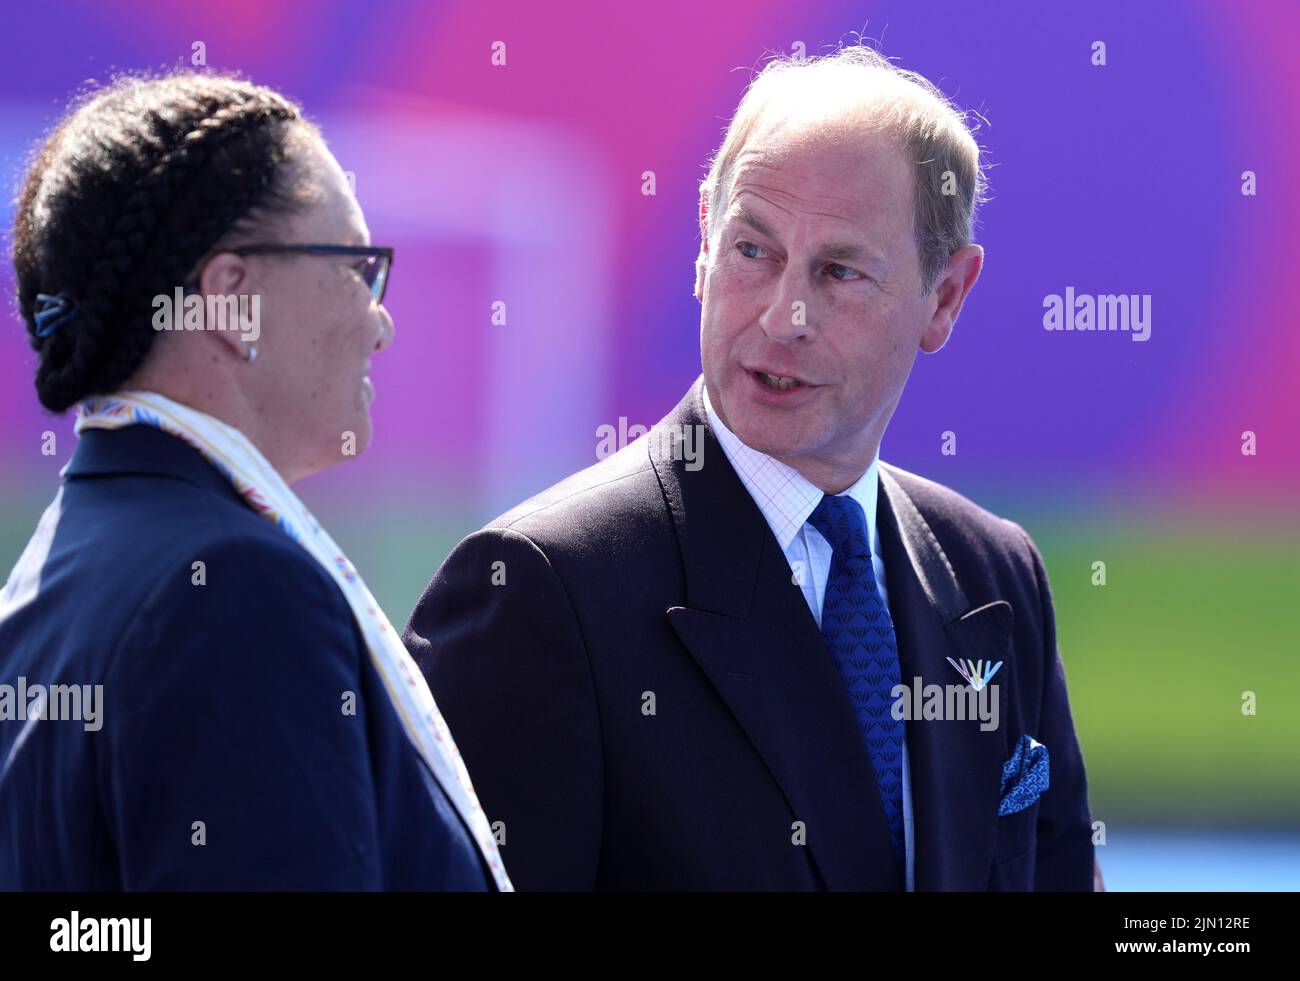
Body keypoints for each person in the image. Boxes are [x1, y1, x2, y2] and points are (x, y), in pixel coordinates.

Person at [403, 45, 1100, 890]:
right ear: (704, 237)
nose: (783, 315)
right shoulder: (540, 588)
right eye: (753, 251)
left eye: (840, 271)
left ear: (946, 296)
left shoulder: (994, 575)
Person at [0, 72, 510, 891]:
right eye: (356, 267)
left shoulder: (67, 569)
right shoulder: (231, 590)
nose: (380, 321)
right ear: (232, 299)